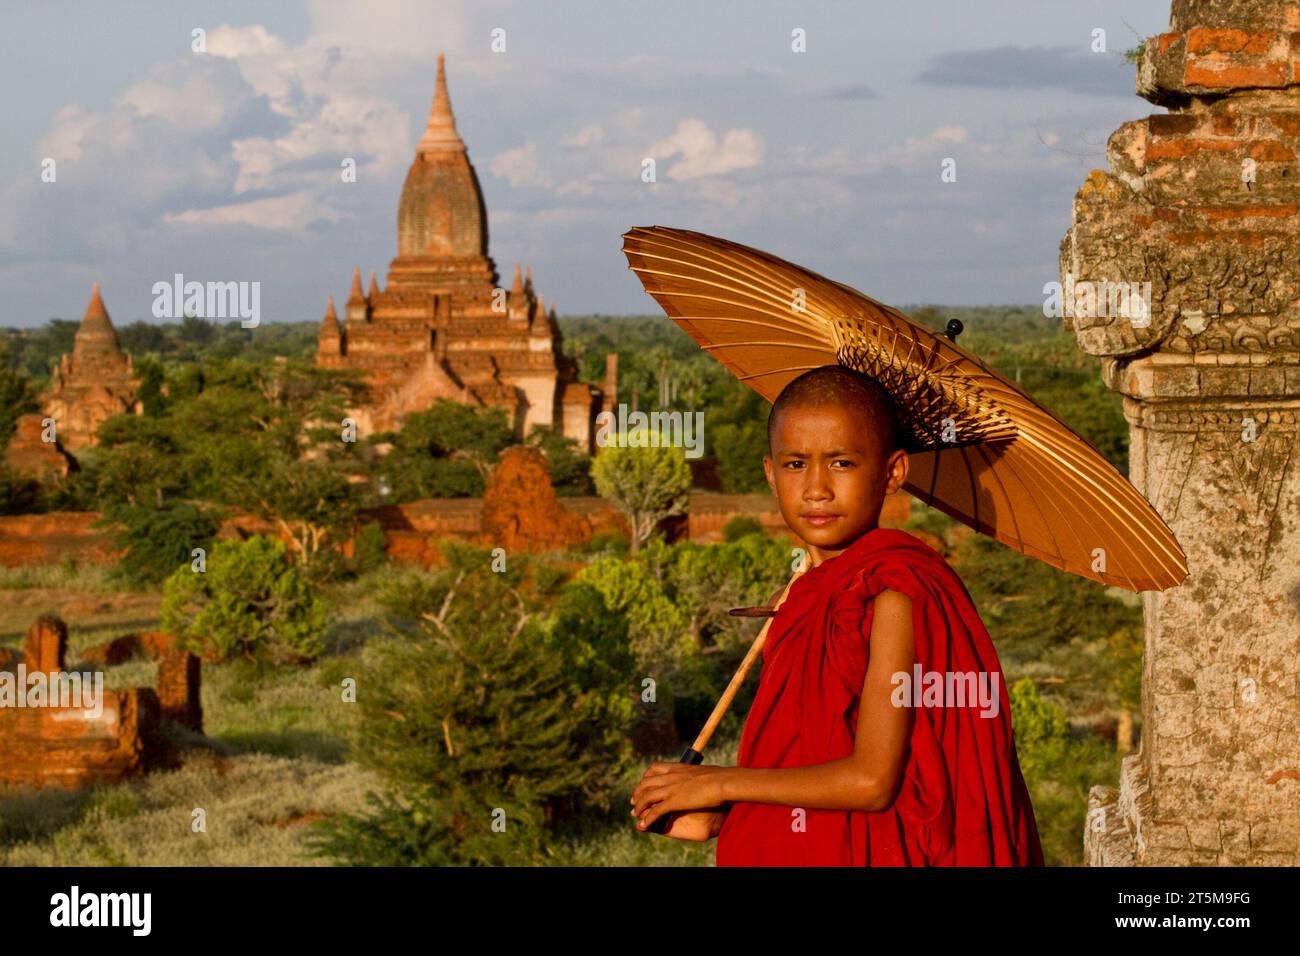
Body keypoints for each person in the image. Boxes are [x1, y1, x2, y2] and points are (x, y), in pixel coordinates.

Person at [630, 364, 1044, 865]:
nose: (816, 489)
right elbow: (815, 765)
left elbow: (871, 782)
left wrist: (719, 780)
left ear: (892, 472)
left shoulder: (895, 594)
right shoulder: (804, 594)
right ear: (769, 472)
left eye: (843, 463)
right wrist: (728, 810)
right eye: (796, 464)